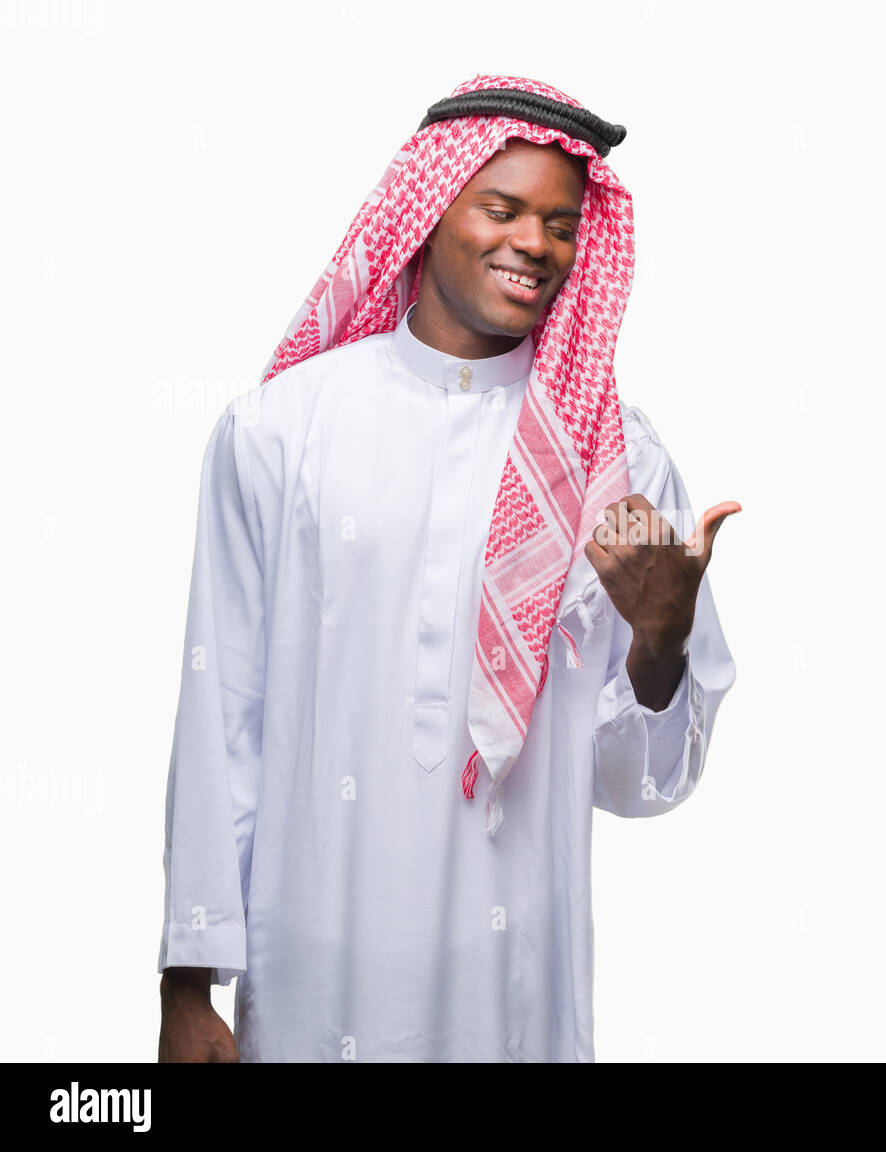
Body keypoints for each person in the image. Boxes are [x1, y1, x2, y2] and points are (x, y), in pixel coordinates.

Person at [155, 74, 739, 1063]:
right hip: (310, 973)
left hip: (516, 985)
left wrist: (660, 639)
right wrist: (186, 985)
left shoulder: (614, 459)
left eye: (561, 225)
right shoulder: (280, 431)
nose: (535, 245)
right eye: (501, 209)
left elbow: (636, 781)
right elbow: (223, 711)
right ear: (427, 216)